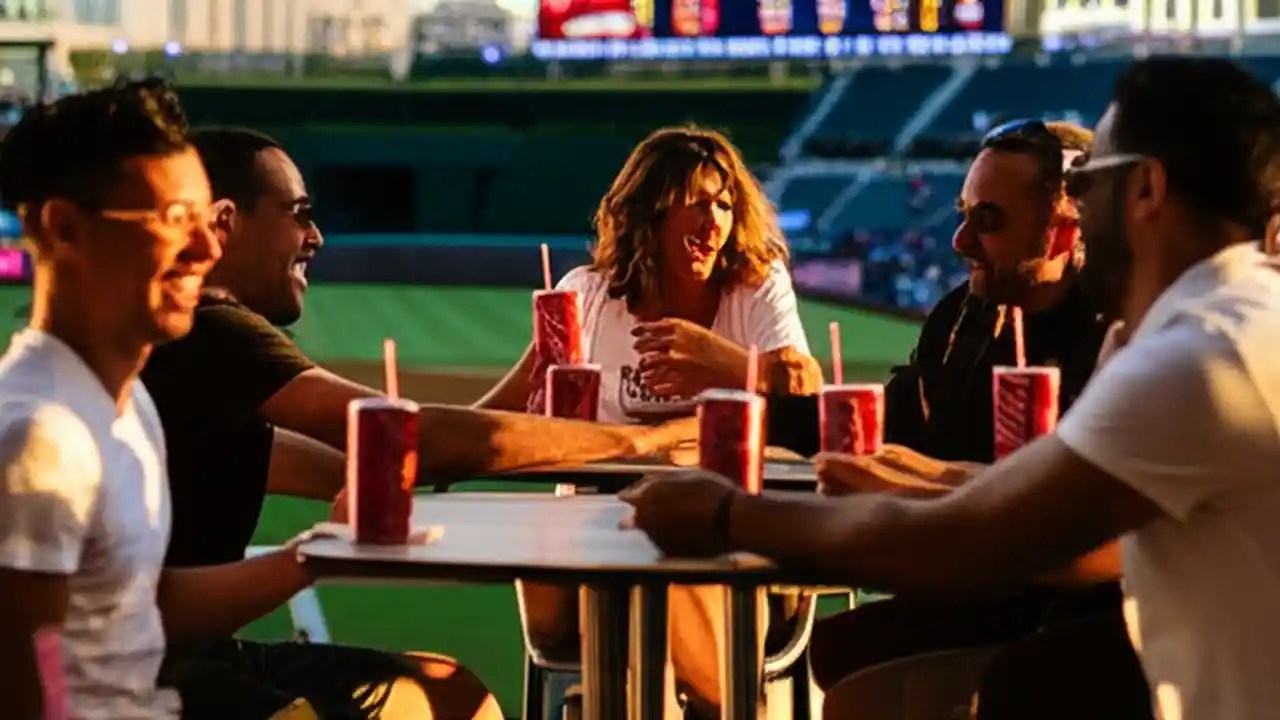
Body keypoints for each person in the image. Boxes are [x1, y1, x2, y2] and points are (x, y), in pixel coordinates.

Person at [624, 56, 1280, 720]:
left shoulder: (1200, 357)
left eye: (1086, 184)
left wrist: (723, 517)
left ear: (1146, 189)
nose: (1077, 211)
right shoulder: (1231, 324)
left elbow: (986, 538)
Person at [139, 126, 693, 719]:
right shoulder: (213, 329)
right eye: (298, 213)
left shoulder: (189, 357)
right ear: (223, 222)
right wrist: (641, 440)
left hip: (184, 655)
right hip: (169, 678)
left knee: (454, 694)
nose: (315, 236)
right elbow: (405, 443)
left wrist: (528, 381)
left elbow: (373, 466)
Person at [0, 79, 272, 719]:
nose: (208, 250)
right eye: (175, 221)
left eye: (208, 222)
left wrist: (315, 556)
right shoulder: (40, 437)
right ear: (64, 226)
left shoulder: (123, 401)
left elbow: (137, 601)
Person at [477, 125, 820, 423]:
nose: (715, 222)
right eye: (697, 203)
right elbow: (515, 400)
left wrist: (721, 359)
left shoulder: (756, 283)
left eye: (725, 206)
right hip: (601, 490)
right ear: (649, 214)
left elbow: (804, 382)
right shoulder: (584, 295)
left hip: (717, 489)